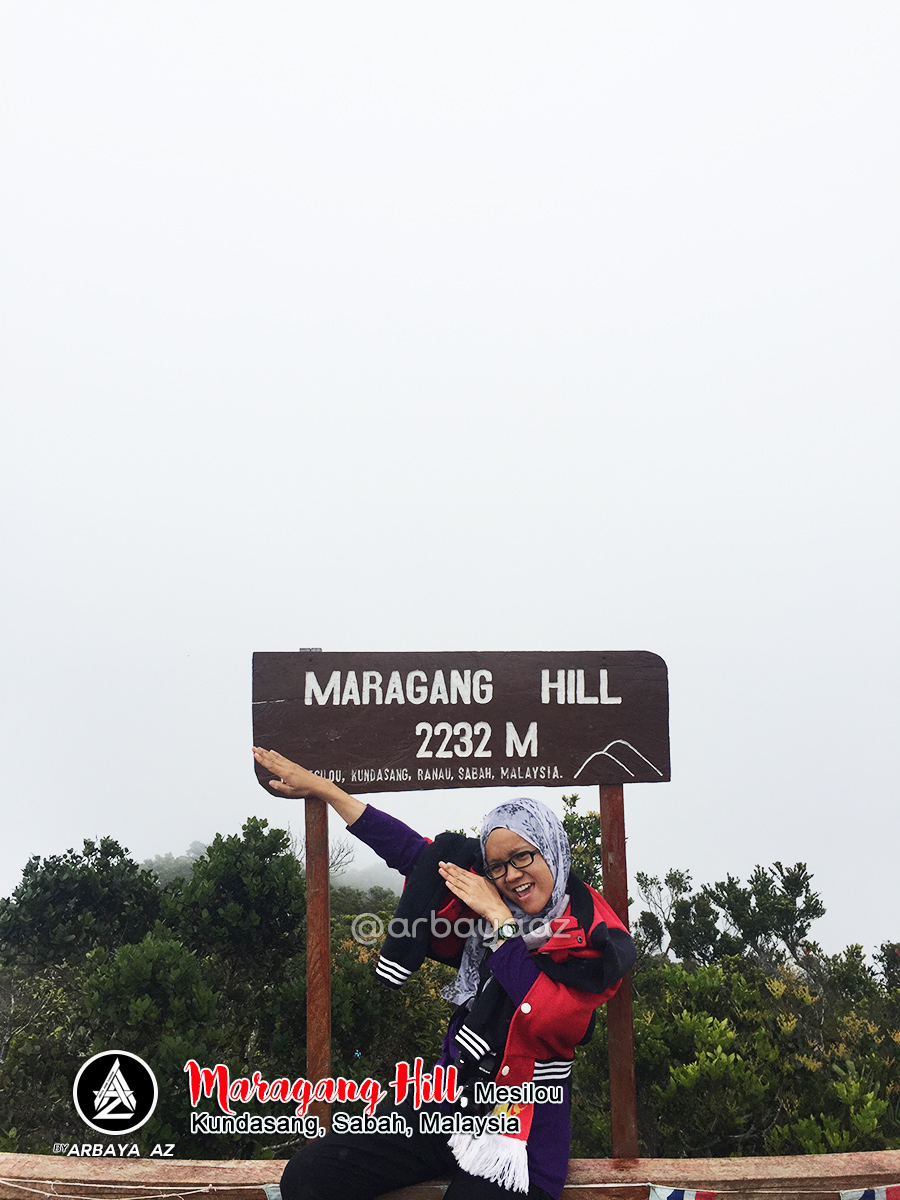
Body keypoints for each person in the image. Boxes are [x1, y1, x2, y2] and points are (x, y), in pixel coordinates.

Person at [252, 747, 636, 1200]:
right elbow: (413, 855)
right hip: (448, 1100)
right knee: (309, 1175)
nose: (511, 875)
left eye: (522, 857)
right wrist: (324, 789)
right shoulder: (485, 904)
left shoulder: (591, 934)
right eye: (497, 866)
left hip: (521, 1126)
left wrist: (502, 924)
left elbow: (552, 1020)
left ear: (551, 850)